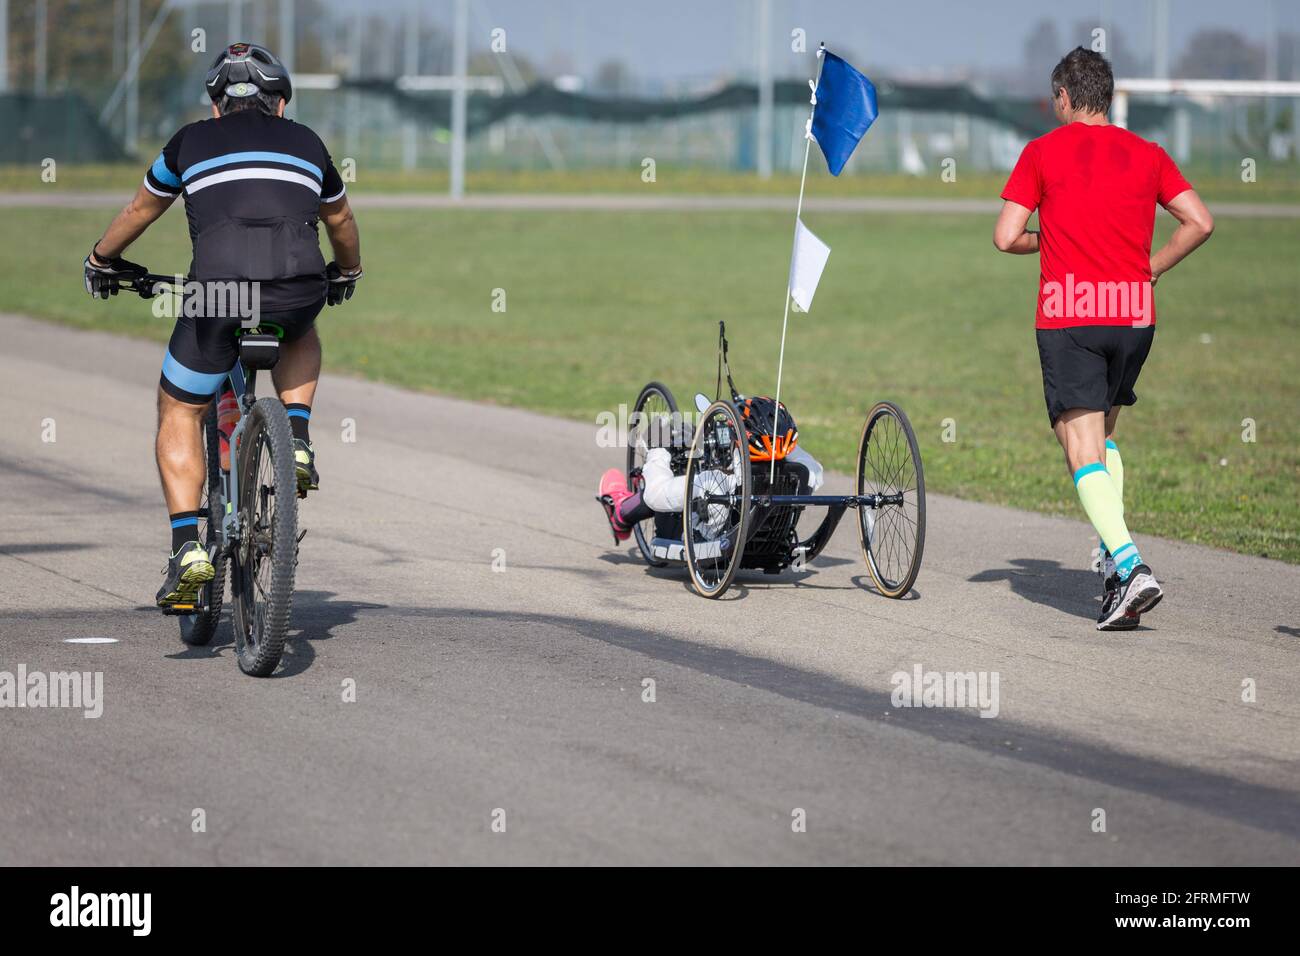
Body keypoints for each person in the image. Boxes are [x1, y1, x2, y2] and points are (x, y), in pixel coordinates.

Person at [82, 42, 363, 608]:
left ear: (216, 107)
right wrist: (346, 271)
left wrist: (101, 259)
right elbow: (341, 217)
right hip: (295, 286)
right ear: (280, 103)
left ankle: (187, 545)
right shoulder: (309, 143)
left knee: (180, 408)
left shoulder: (187, 141)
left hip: (217, 293)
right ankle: (299, 438)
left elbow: (140, 210)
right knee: (301, 328)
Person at [993, 47, 1213, 630]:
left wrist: (1050, 238)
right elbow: (1200, 222)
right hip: (1136, 317)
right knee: (1105, 435)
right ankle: (1118, 574)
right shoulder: (1148, 153)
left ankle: (1130, 564)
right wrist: (1152, 267)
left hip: (1073, 316)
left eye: (1053, 97)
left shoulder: (1041, 151)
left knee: (1079, 448)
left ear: (1064, 98)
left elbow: (1005, 235)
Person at [599, 396, 823, 541]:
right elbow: (803, 458)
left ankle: (620, 511)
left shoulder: (713, 481)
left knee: (670, 478)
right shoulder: (806, 474)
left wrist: (658, 452)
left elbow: (656, 495)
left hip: (703, 540)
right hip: (772, 543)